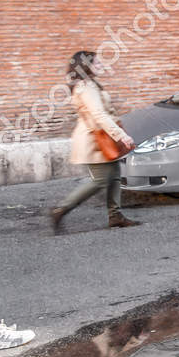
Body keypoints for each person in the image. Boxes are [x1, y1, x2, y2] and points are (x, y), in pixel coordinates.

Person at [49, 51, 138, 233]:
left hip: (101, 136)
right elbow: (99, 115)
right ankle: (61, 210)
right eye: (96, 62)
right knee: (100, 180)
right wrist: (121, 135)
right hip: (95, 139)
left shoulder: (89, 84)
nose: (100, 64)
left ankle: (116, 216)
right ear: (85, 66)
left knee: (114, 175)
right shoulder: (86, 86)